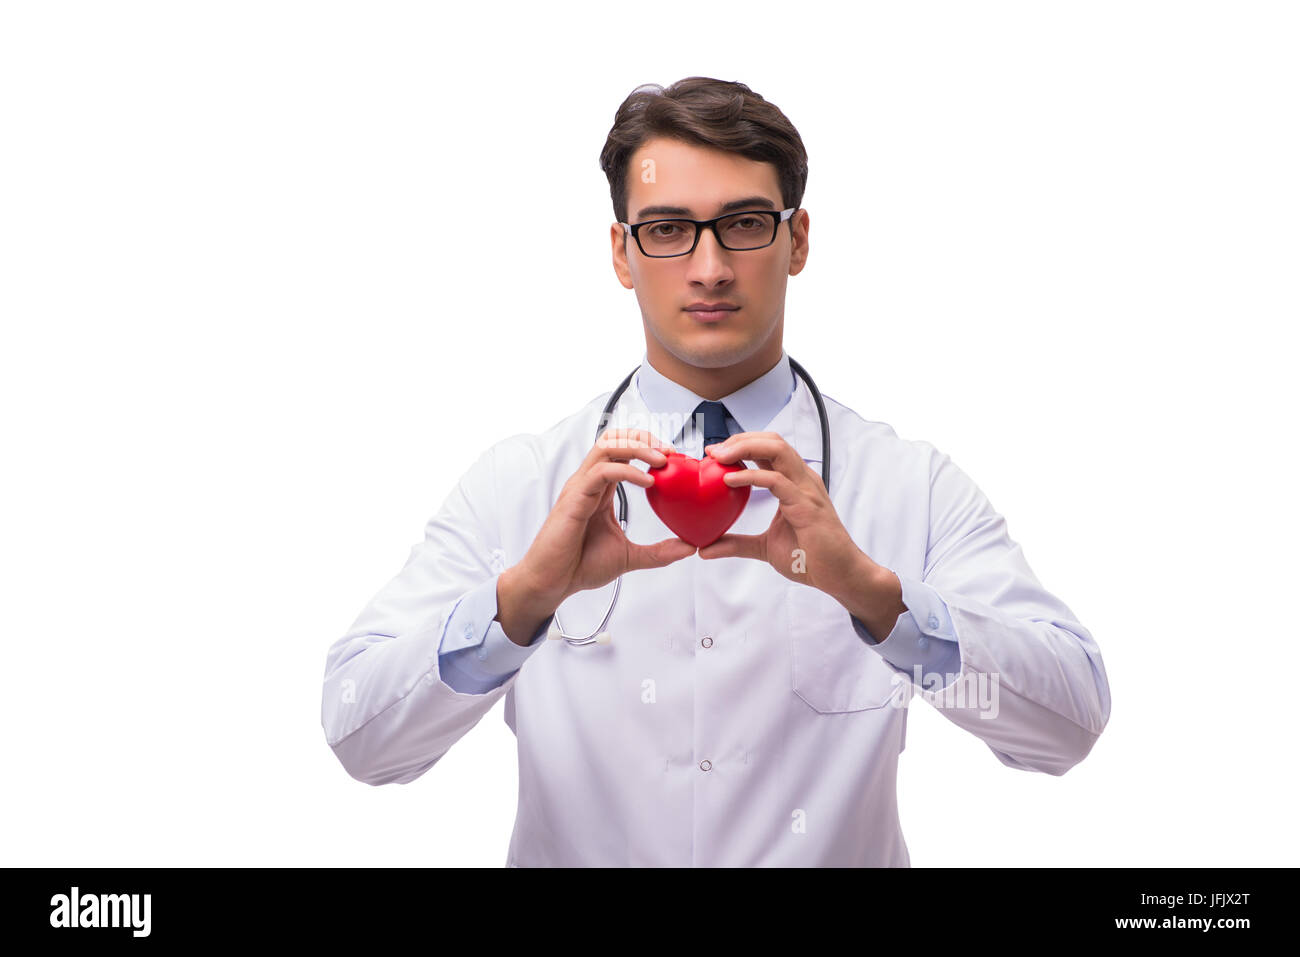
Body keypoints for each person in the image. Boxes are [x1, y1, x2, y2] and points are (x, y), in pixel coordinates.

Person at [320, 76, 1111, 867]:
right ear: (622, 253)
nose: (708, 268)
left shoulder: (909, 484)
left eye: (743, 224)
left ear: (798, 240)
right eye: (667, 228)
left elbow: (1068, 723)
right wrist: (521, 603)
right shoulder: (521, 483)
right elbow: (360, 733)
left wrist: (880, 600)